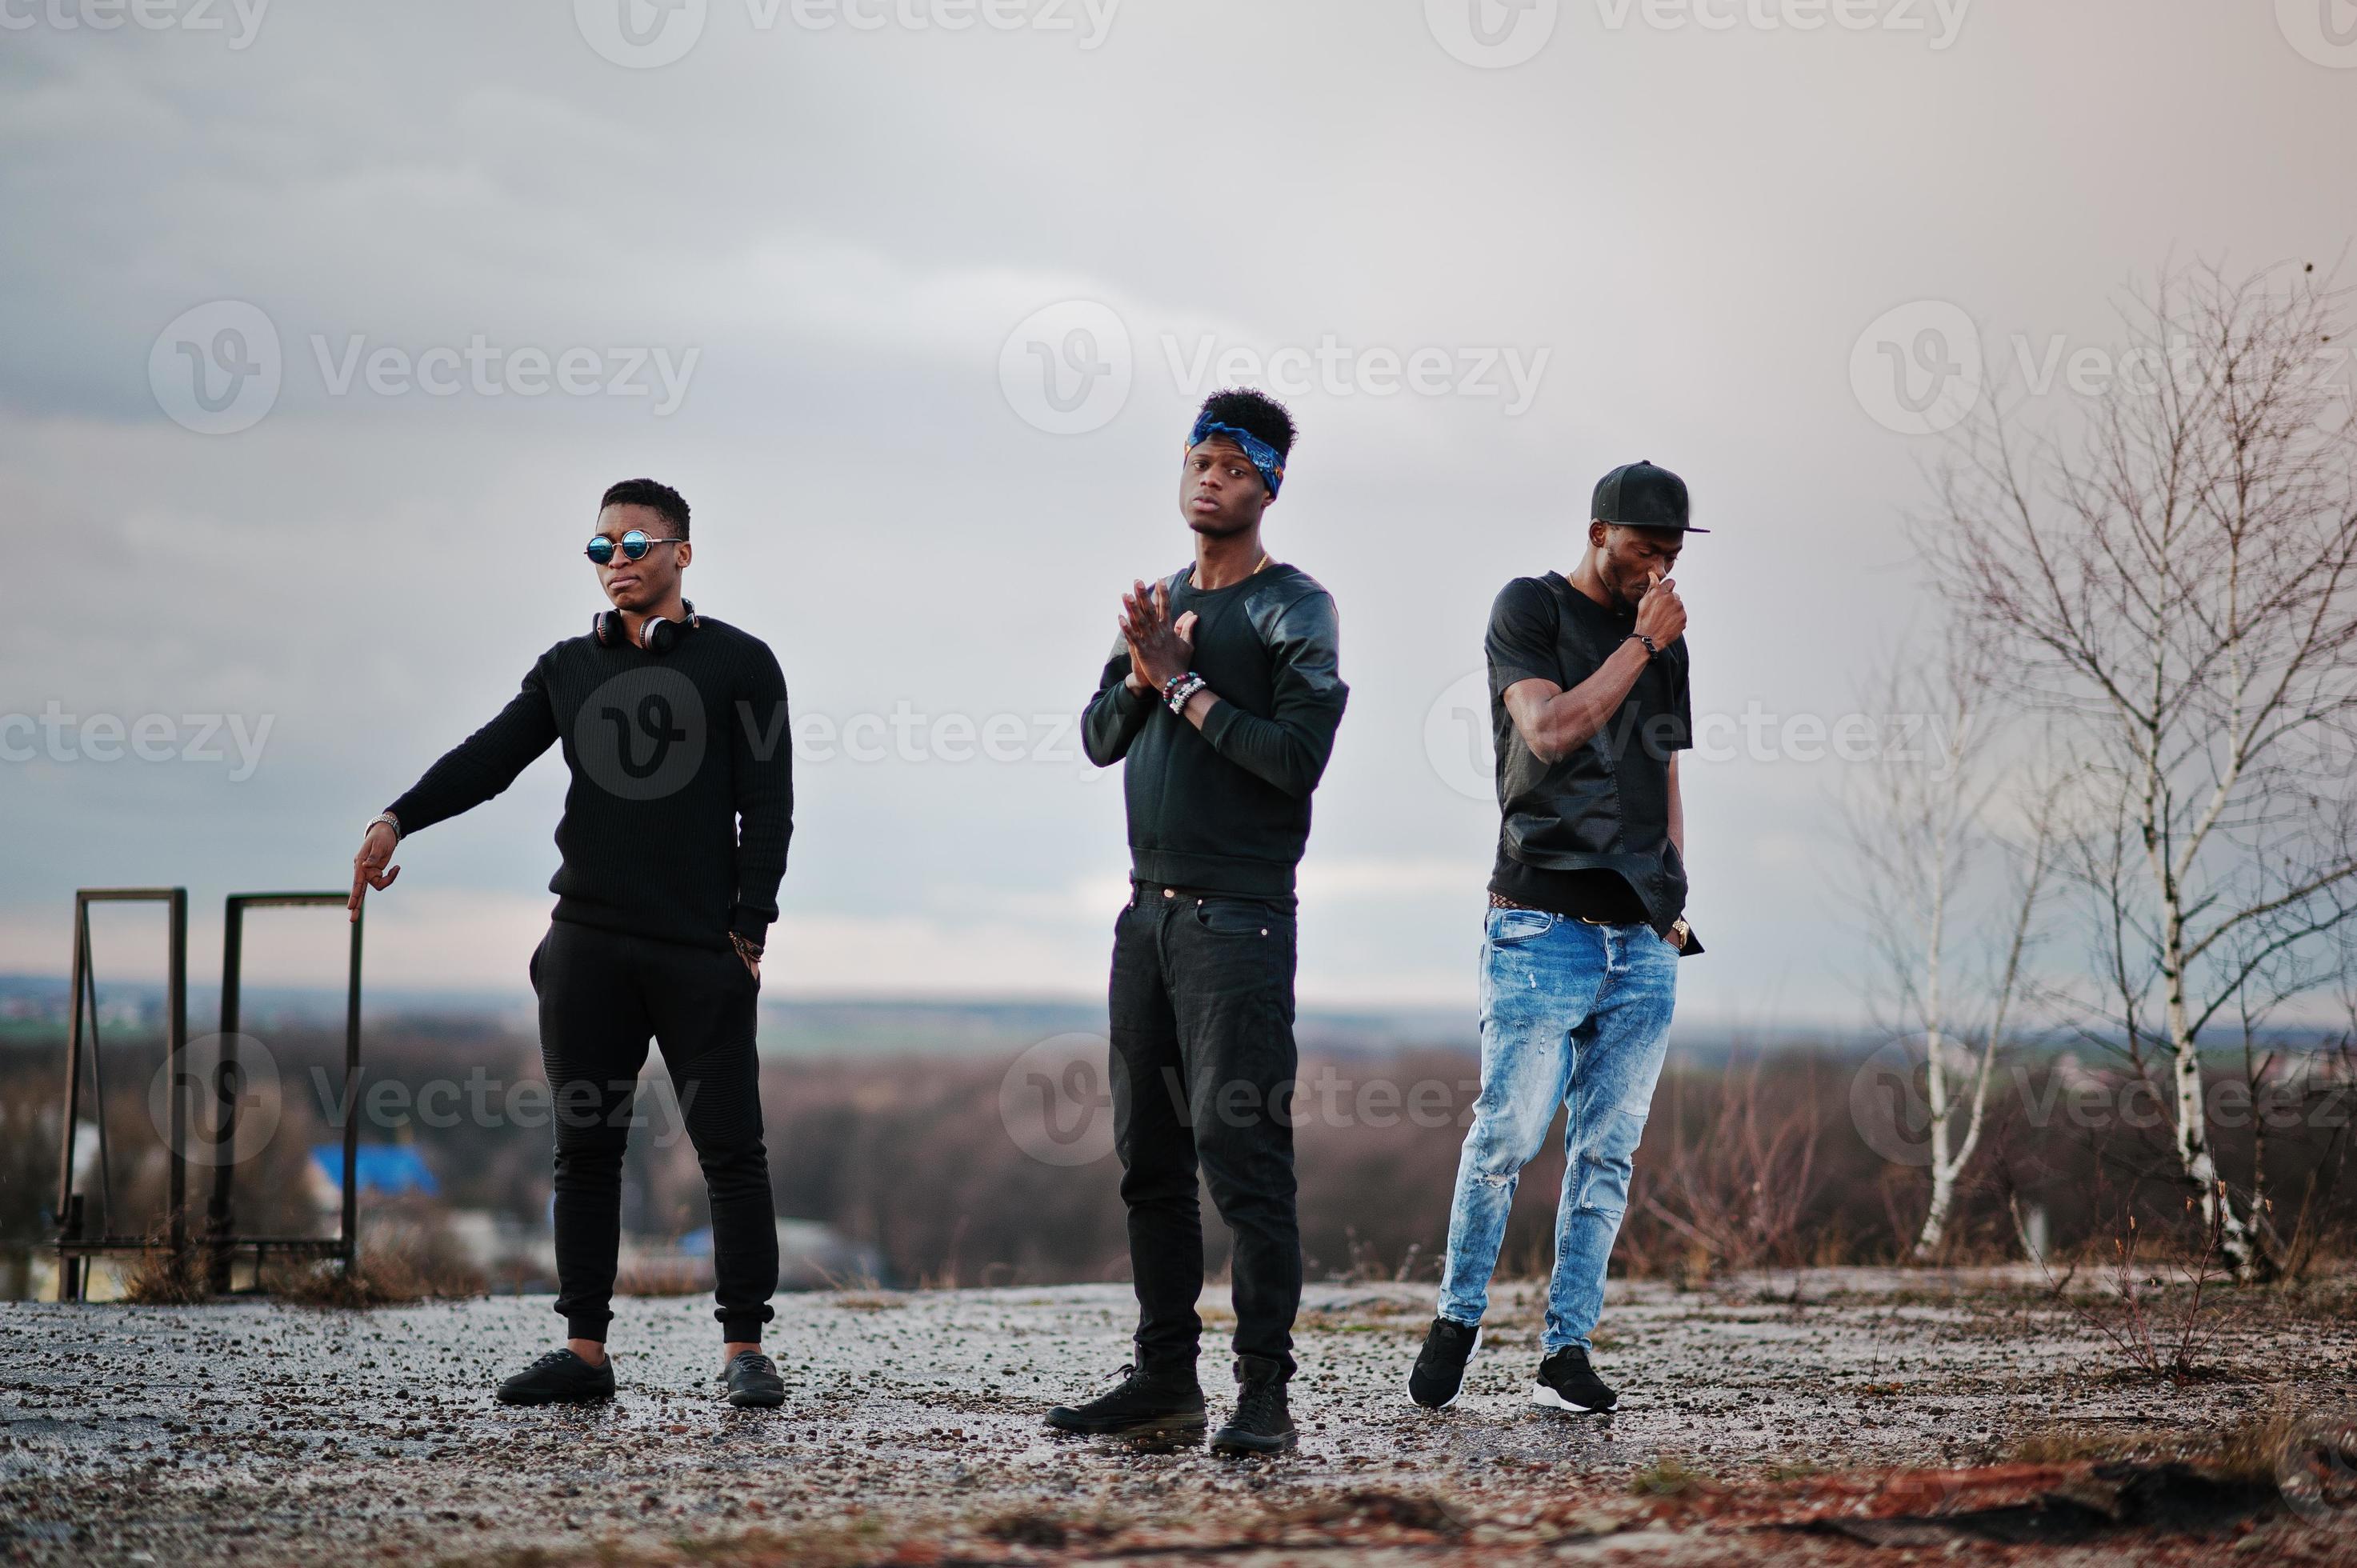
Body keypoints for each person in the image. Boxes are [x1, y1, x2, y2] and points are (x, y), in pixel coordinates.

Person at [346, 478, 794, 1410]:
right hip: (588, 946)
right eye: (600, 548)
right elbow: (489, 758)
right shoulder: (567, 669)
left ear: (682, 553)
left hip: (699, 953)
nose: (615, 561)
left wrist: (750, 928)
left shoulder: (743, 665)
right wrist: (397, 818)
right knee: (585, 1150)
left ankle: (745, 1348)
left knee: (730, 1150)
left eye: (634, 544)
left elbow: (768, 803)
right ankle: (584, 1351)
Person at [1046, 389, 1349, 1455]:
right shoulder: (1159, 601)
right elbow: (1097, 738)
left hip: (1240, 921)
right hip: (1148, 918)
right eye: (1198, 461)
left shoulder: (1294, 608)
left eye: (1233, 467)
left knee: (1243, 1156)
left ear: (1269, 486)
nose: (1210, 479)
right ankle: (1165, 1382)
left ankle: (1264, 1394)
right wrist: (1143, 676)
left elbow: (1294, 760)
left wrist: (1179, 687)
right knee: (1150, 1159)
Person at [1408, 460, 1703, 1415]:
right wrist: (1640, 645)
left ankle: (1566, 1352)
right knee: (1506, 1136)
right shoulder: (1529, 607)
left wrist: (1672, 891)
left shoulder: (1667, 640)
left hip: (1642, 938)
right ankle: (1457, 1318)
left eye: (1672, 554)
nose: (1659, 570)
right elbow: (1548, 729)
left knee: (1606, 1155)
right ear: (1598, 531)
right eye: (1645, 549)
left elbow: (1663, 770)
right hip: (1541, 925)